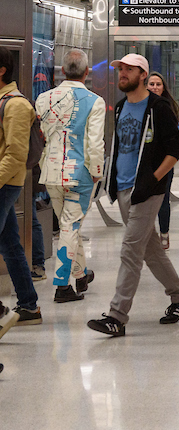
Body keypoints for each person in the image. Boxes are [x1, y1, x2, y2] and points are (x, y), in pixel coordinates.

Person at [87, 53, 179, 337]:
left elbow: (174, 150)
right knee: (150, 250)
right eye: (120, 69)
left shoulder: (158, 107)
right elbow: (120, 148)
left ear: (142, 75)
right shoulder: (121, 108)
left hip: (147, 190)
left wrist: (151, 181)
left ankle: (116, 316)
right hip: (122, 187)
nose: (122, 73)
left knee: (130, 250)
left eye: (128, 69)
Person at [35, 48, 103, 302]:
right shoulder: (94, 101)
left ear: (62, 71)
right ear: (86, 72)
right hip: (79, 174)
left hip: (51, 173)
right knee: (71, 226)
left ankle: (81, 273)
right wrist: (96, 172)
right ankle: (62, 286)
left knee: (68, 225)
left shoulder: (43, 99)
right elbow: (94, 143)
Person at [0, 47, 42, 329]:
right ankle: (29, 305)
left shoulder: (16, 104)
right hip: (5, 182)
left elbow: (15, 154)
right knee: (10, 243)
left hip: (5, 183)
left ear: (2, 70)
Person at [146, 72, 179, 250]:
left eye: (158, 84)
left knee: (163, 198)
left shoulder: (168, 107)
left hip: (165, 162)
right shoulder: (140, 106)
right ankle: (148, 235)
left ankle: (164, 233)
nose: (154, 87)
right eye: (151, 84)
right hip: (146, 162)